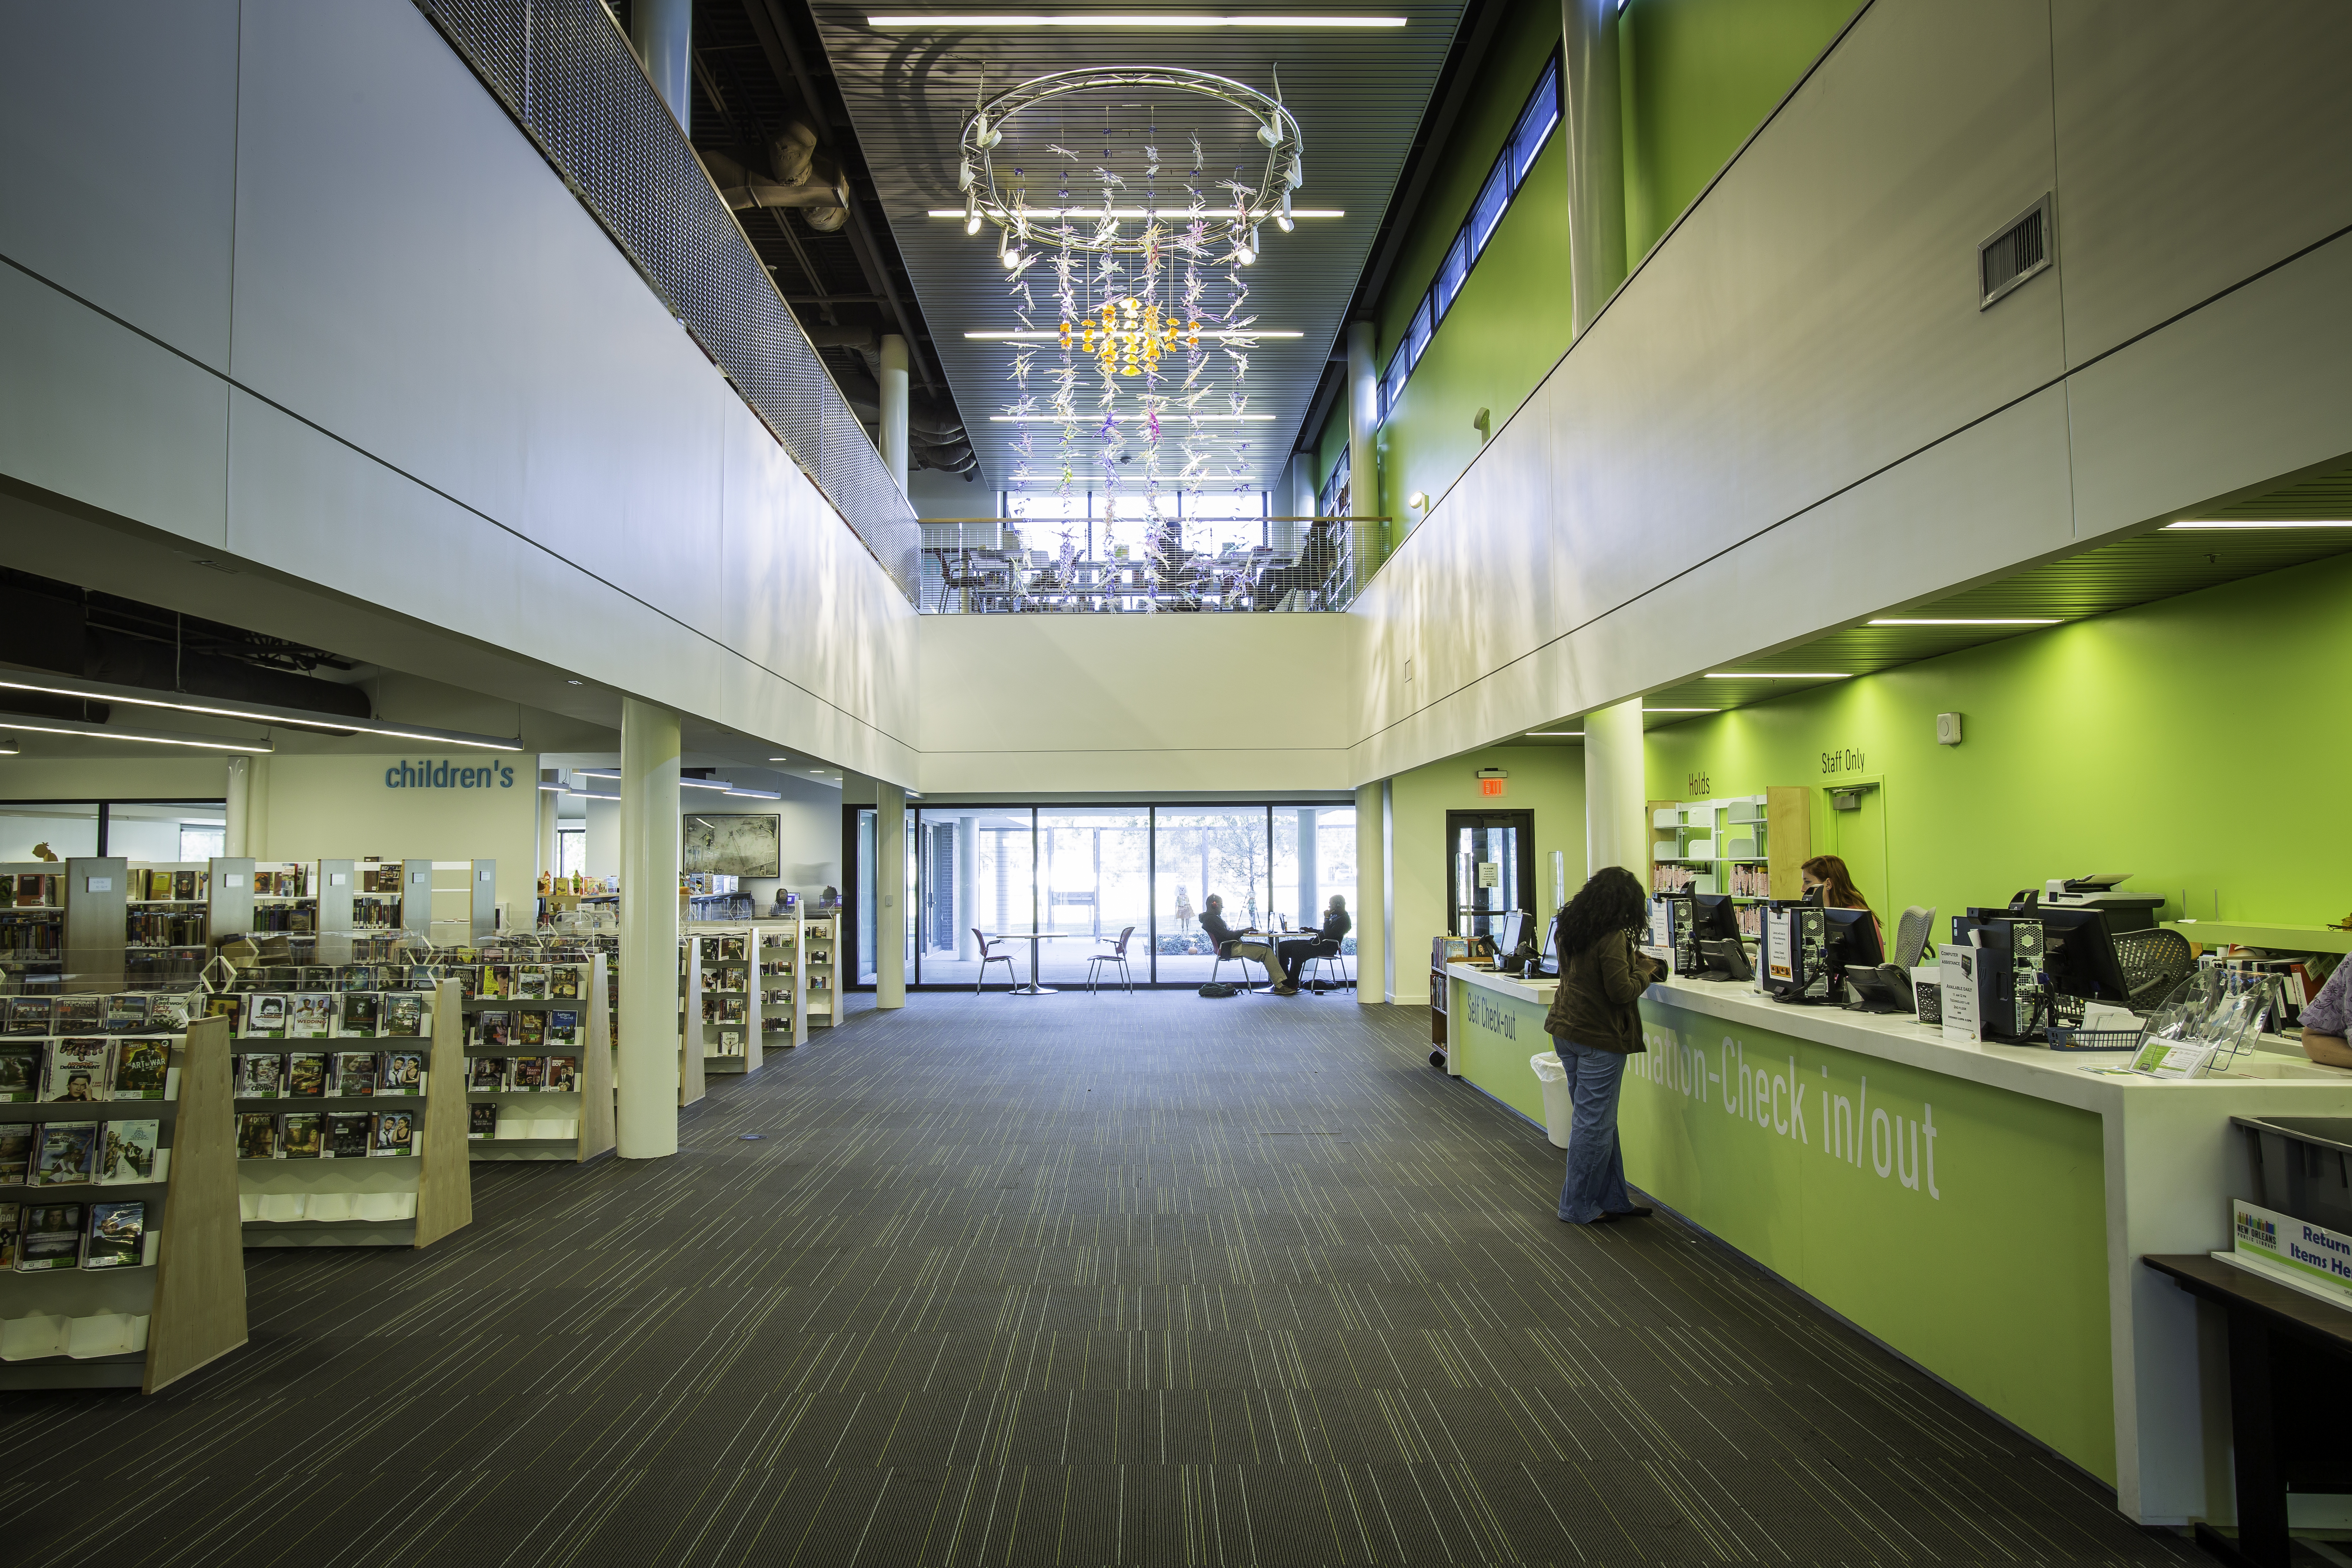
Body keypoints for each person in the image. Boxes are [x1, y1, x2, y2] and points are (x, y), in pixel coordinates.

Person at [1542, 865, 1666, 1224]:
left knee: (1598, 1120)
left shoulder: (1571, 928)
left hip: (1567, 1030)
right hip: (1598, 1035)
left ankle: (1613, 1198)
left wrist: (1633, 962)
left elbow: (1590, 973)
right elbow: (1620, 990)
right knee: (1594, 1123)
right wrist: (1647, 971)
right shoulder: (1611, 935)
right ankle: (1576, 1205)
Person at [1271, 895, 1352, 995]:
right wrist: (1311, 930)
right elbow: (1324, 932)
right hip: (1318, 943)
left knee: (1298, 950)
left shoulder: (1344, 919)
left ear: (1338, 905)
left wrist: (1326, 919)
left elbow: (1329, 935)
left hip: (1327, 948)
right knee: (1283, 946)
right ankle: (1284, 980)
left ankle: (1293, 984)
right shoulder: (1336, 916)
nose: (1330, 907)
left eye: (1331, 904)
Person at [1801, 855, 1884, 947]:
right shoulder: (1823, 914)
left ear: (1828, 884)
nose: (1803, 889)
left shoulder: (1855, 915)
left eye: (1807, 882)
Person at [1198, 894, 1279, 987]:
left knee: (1267, 947)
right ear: (1215, 905)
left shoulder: (1211, 919)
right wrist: (1243, 931)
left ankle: (1280, 982)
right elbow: (1228, 935)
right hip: (1230, 949)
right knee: (1267, 951)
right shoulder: (1211, 920)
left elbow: (1226, 934)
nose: (1222, 909)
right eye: (1221, 906)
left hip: (1229, 947)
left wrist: (1242, 931)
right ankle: (1280, 985)